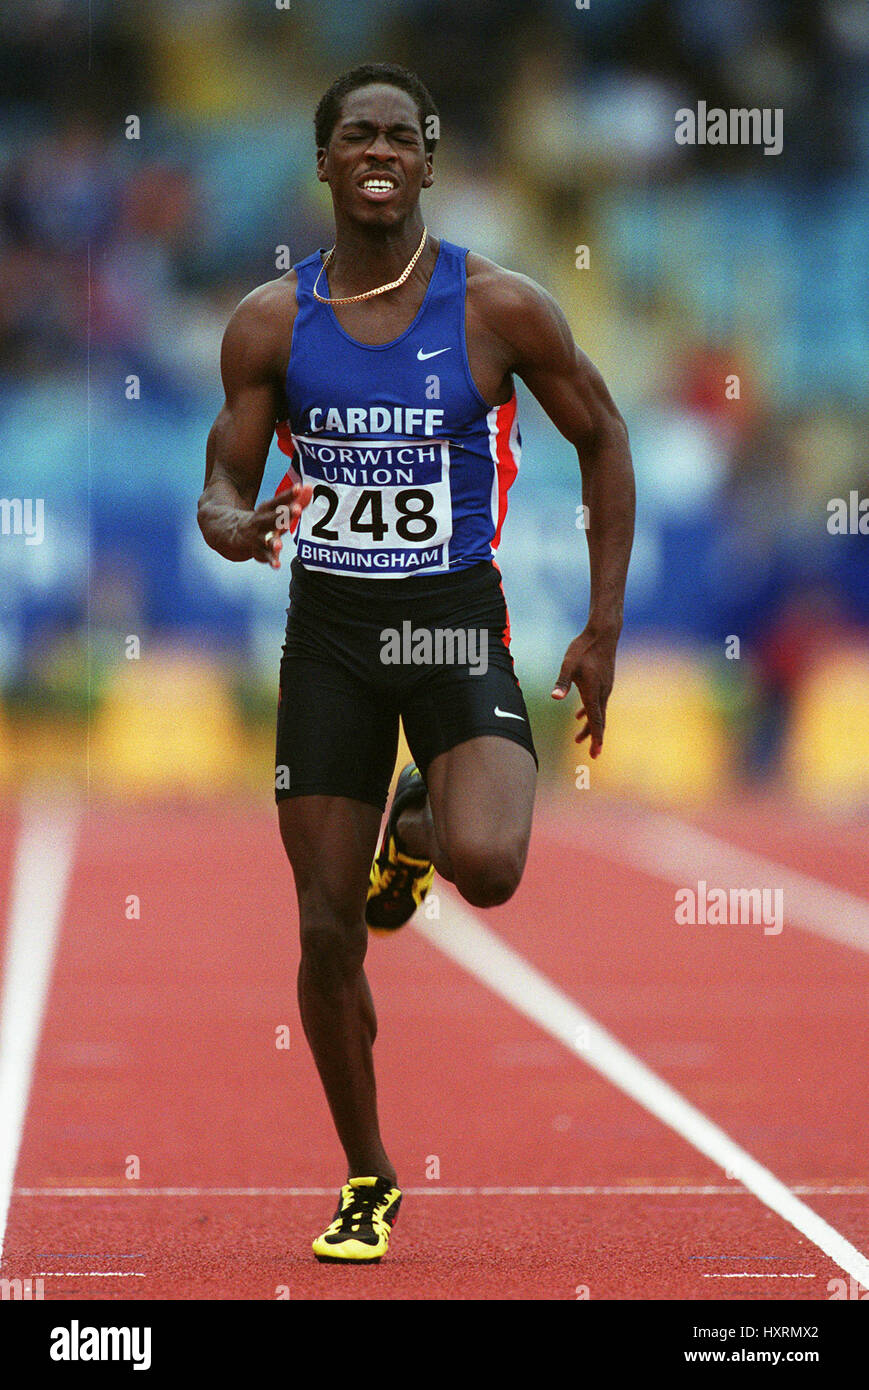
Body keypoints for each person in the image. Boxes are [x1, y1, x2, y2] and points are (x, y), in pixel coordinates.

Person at [198, 62, 635, 1264]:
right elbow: (224, 480)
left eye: (401, 133)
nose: (380, 150)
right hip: (329, 639)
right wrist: (232, 524)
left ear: (431, 161)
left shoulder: (498, 307)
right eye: (357, 134)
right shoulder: (269, 322)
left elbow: (602, 437)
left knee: (488, 863)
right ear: (325, 162)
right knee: (328, 934)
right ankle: (367, 1173)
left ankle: (418, 829)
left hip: (450, 624)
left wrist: (600, 626)